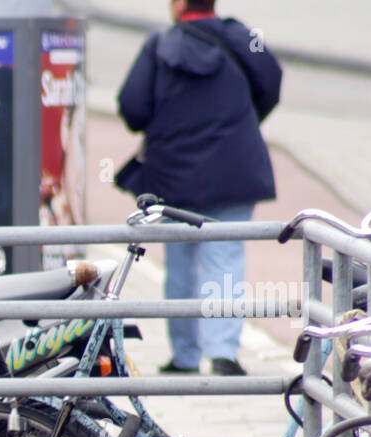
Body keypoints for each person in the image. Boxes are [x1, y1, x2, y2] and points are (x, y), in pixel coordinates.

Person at [117, 0, 281, 377]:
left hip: (173, 174)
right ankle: (223, 353)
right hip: (235, 166)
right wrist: (241, 116)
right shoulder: (243, 37)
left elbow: (132, 108)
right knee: (225, 258)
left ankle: (185, 356)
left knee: (179, 264)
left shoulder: (156, 46)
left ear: (178, 5)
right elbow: (272, 80)